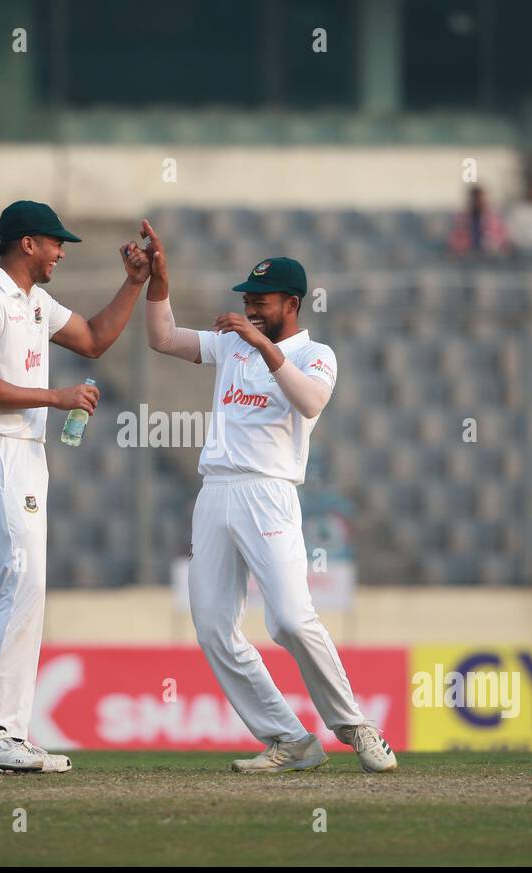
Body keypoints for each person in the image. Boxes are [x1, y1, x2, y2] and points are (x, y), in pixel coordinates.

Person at [139, 220, 398, 774]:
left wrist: (259, 343)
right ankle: (290, 739)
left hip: (269, 493)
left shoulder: (316, 355)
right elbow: (163, 338)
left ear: (292, 303)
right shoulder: (232, 345)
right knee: (211, 624)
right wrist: (157, 281)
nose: (251, 308)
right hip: (216, 493)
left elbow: (309, 404)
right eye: (247, 300)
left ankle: (355, 725)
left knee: (289, 619)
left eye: (261, 300)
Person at [0, 200, 150, 774]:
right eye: (54, 242)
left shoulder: (34, 301)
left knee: (30, 584)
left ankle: (8, 729)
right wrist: (55, 397)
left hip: (27, 453)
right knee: (23, 578)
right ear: (27, 244)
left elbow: (92, 339)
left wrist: (133, 284)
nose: (61, 251)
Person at [448, 185, 508, 256]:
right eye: (475, 200)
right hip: (469, 254)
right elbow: (454, 244)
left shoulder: (494, 220)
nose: (478, 203)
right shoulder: (461, 221)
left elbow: (503, 242)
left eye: (480, 199)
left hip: (490, 254)